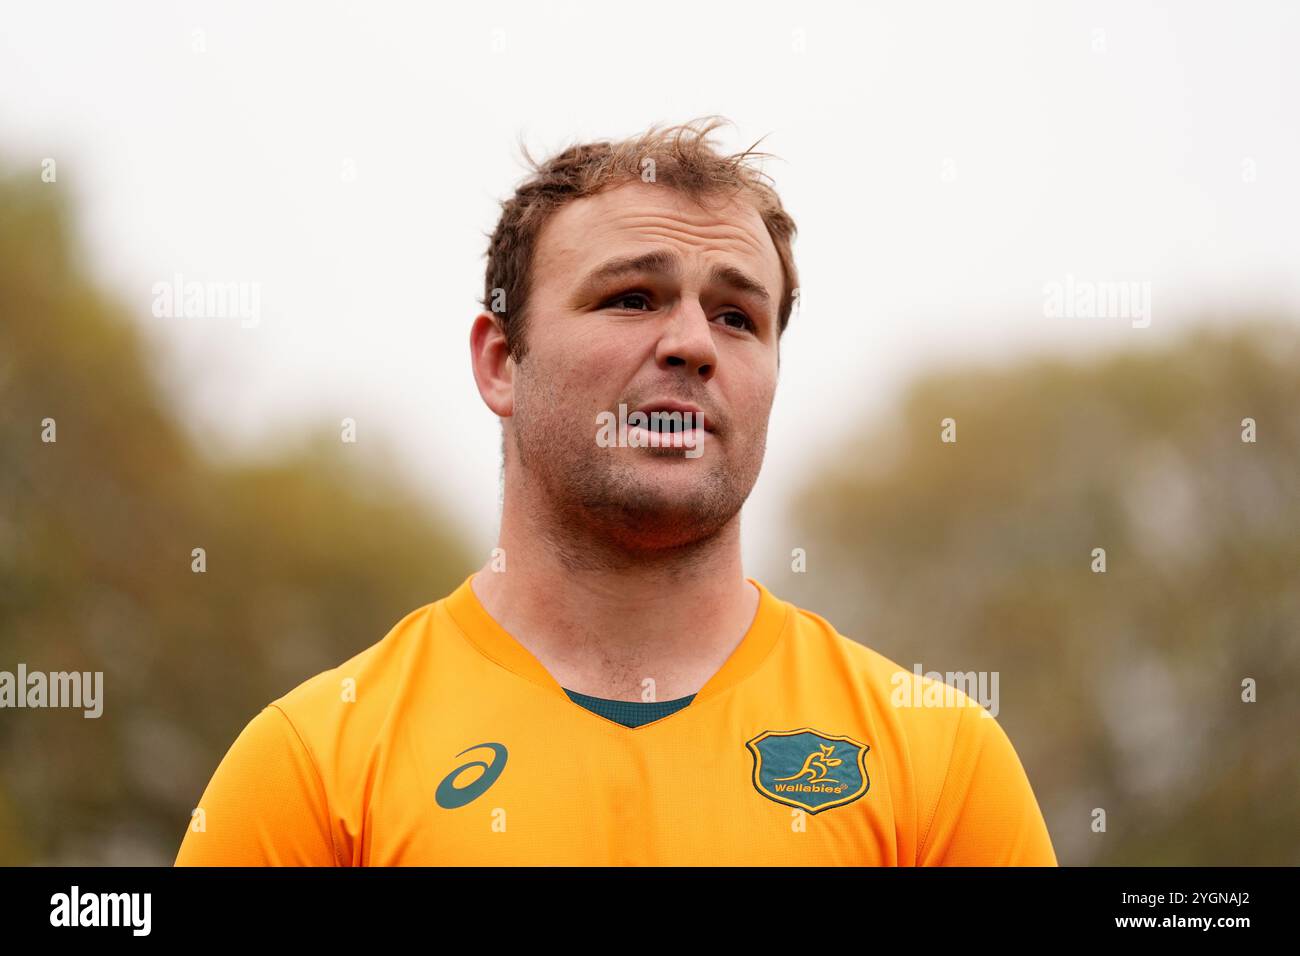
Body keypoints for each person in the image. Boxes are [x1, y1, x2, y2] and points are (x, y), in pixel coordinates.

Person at [175, 117, 1057, 866]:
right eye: (633, 299)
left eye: (737, 316)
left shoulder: (940, 763)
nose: (692, 344)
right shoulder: (312, 767)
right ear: (499, 362)